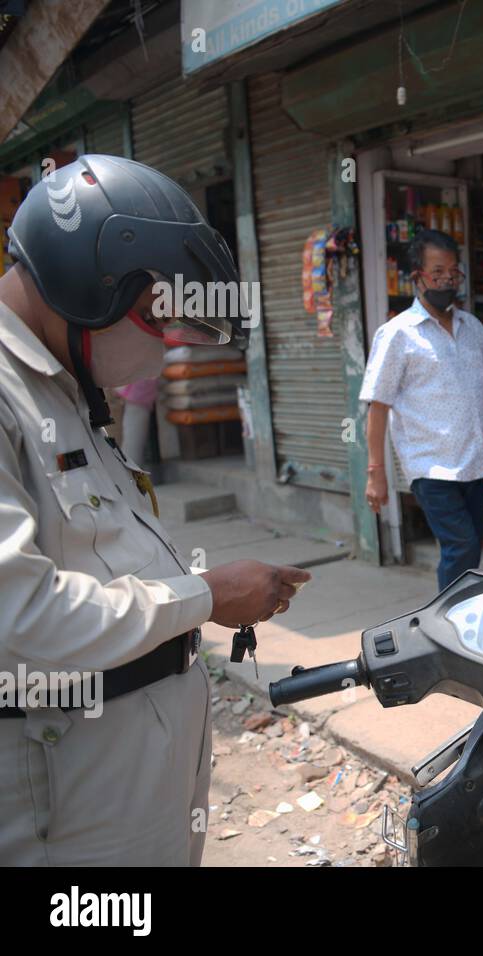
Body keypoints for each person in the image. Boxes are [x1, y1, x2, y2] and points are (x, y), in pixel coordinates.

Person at [0, 155, 309, 865]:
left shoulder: (60, 388)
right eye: (157, 316)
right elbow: (17, 622)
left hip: (123, 805)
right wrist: (203, 597)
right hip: (64, 830)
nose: (167, 345)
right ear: (91, 279)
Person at [361, 229, 483, 590]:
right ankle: (447, 622)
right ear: (417, 276)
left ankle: (461, 614)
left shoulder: (473, 327)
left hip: (475, 461)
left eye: (453, 273)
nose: (447, 280)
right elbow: (378, 405)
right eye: (437, 273)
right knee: (461, 544)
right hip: (429, 465)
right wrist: (376, 472)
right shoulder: (398, 334)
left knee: (468, 549)